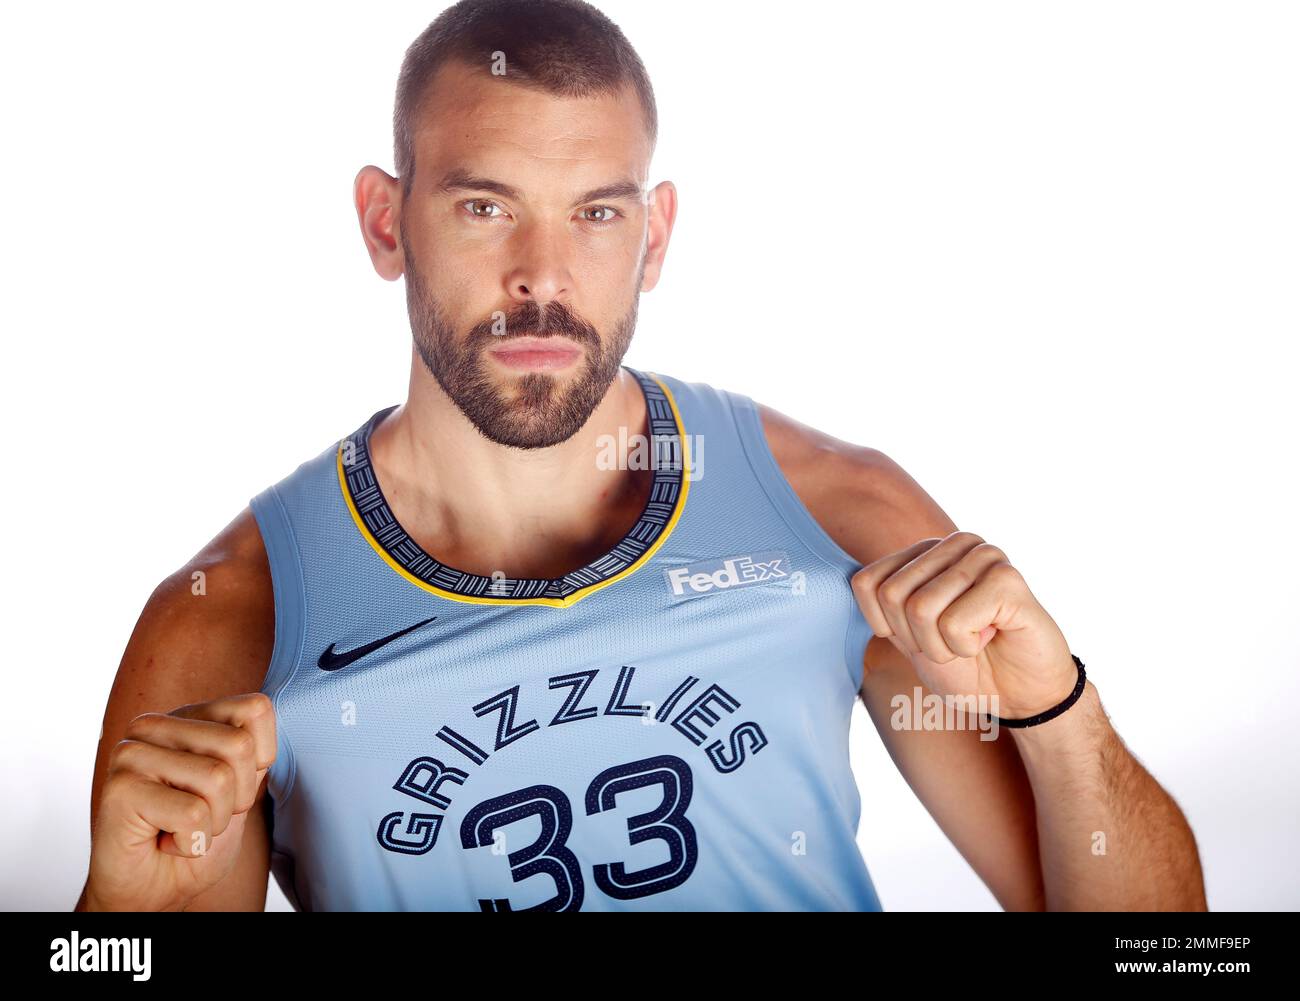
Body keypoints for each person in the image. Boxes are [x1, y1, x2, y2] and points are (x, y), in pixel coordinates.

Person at [75, 0, 1206, 912]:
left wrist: (1064, 718)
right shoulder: (230, 620)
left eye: (597, 215)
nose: (544, 276)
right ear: (386, 222)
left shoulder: (835, 514)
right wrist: (114, 918)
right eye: (484, 206)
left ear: (654, 235)